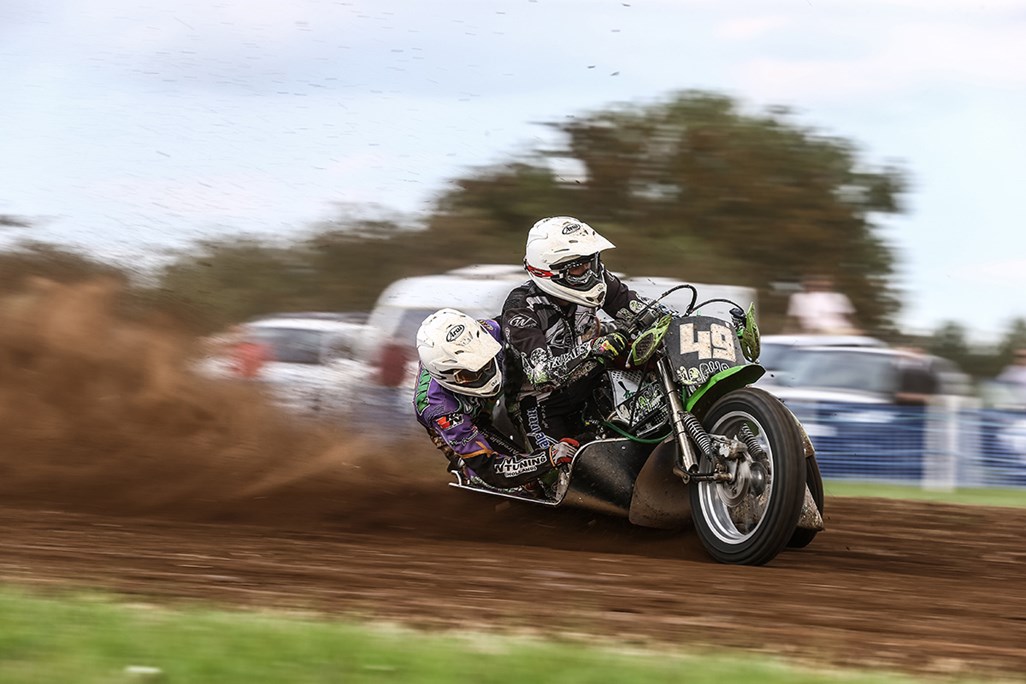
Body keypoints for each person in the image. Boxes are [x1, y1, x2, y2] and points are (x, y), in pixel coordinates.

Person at [500, 216, 654, 452]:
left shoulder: (596, 279)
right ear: (549, 272)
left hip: (591, 379)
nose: (587, 272)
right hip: (540, 402)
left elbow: (641, 311)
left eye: (589, 261)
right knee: (562, 467)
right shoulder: (521, 308)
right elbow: (541, 374)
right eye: (575, 267)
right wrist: (594, 348)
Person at [413, 308, 579, 493]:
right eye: (470, 374)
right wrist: (547, 458)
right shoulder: (439, 408)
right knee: (530, 483)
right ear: (446, 376)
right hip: (470, 421)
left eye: (486, 360)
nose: (485, 374)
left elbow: (526, 323)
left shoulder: (490, 331)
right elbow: (488, 466)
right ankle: (467, 473)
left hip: (501, 393)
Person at [786, 275, 859, 335]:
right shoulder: (798, 298)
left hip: (842, 329)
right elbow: (793, 319)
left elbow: (851, 317)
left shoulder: (840, 297)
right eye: (810, 285)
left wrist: (856, 329)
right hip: (817, 330)